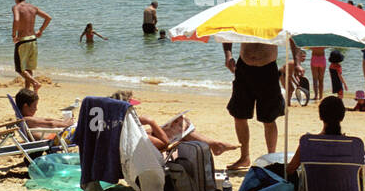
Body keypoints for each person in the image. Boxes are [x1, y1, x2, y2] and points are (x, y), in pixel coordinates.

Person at [107, 91, 240, 156]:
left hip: (138, 143)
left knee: (181, 125)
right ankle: (215, 145)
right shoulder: (132, 133)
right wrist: (151, 122)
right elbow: (164, 144)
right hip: (145, 151)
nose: (135, 110)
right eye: (132, 108)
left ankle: (215, 145)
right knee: (182, 129)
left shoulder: (113, 125)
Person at [222, 40, 285, 170]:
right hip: (244, 66)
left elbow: (290, 35)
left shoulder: (275, 19)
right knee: (239, 115)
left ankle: (271, 158)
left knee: (269, 118)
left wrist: (297, 62)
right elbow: (228, 30)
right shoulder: (245, 19)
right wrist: (228, 55)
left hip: (268, 68)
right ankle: (244, 157)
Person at [12, 0, 50, 90]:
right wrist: (40, 30)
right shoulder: (33, 7)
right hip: (33, 39)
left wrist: (14, 35)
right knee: (28, 67)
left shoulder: (16, 7)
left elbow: (16, 19)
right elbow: (48, 18)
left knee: (20, 69)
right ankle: (27, 90)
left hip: (23, 40)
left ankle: (35, 83)